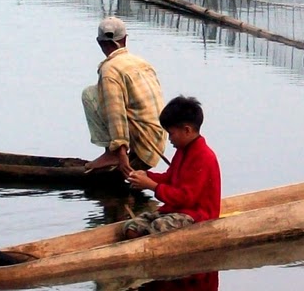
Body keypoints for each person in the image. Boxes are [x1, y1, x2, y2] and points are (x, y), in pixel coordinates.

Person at [122, 96, 221, 238]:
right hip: (176, 211)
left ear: (187, 130)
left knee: (157, 227)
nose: (170, 139)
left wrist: (152, 186)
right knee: (131, 226)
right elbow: (169, 178)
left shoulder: (204, 157)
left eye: (171, 133)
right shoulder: (182, 151)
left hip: (198, 215)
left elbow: (186, 198)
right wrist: (146, 176)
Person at [81, 15, 166, 174]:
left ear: (99, 43)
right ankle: (122, 150)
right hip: (157, 143)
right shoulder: (142, 62)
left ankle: (111, 153)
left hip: (143, 143)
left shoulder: (109, 70)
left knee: (90, 94)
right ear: (125, 39)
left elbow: (116, 113)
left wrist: (120, 154)